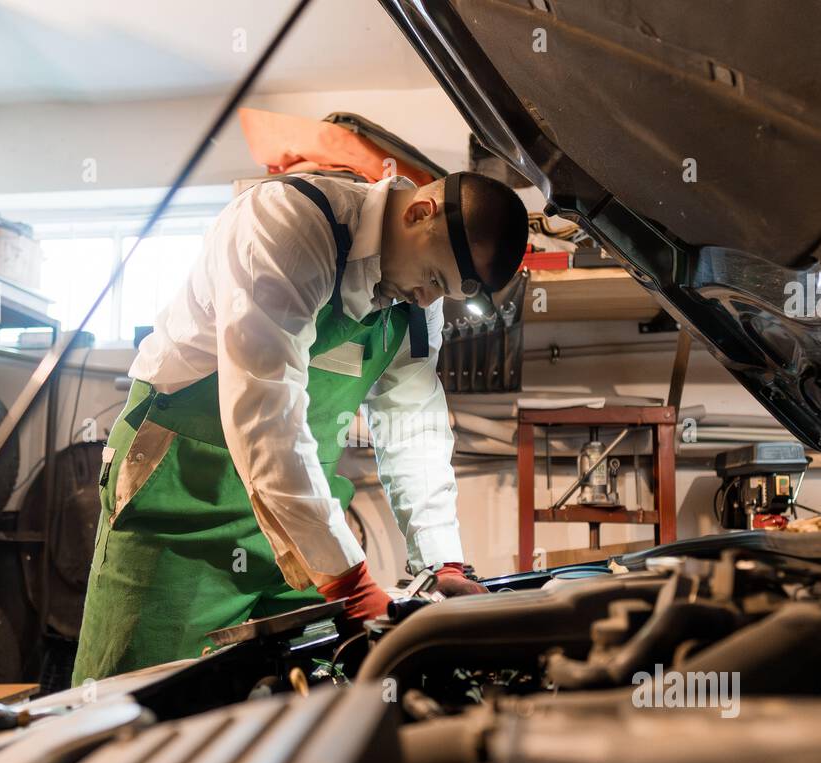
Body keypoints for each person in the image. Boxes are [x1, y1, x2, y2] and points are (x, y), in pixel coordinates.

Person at [72, 169, 530, 683]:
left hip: (296, 517)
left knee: (309, 693)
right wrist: (351, 583)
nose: (427, 300)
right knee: (144, 699)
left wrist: (444, 563)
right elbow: (264, 411)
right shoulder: (289, 224)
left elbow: (414, 428)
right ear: (418, 213)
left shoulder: (415, 309)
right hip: (183, 494)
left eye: (442, 294)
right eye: (434, 279)